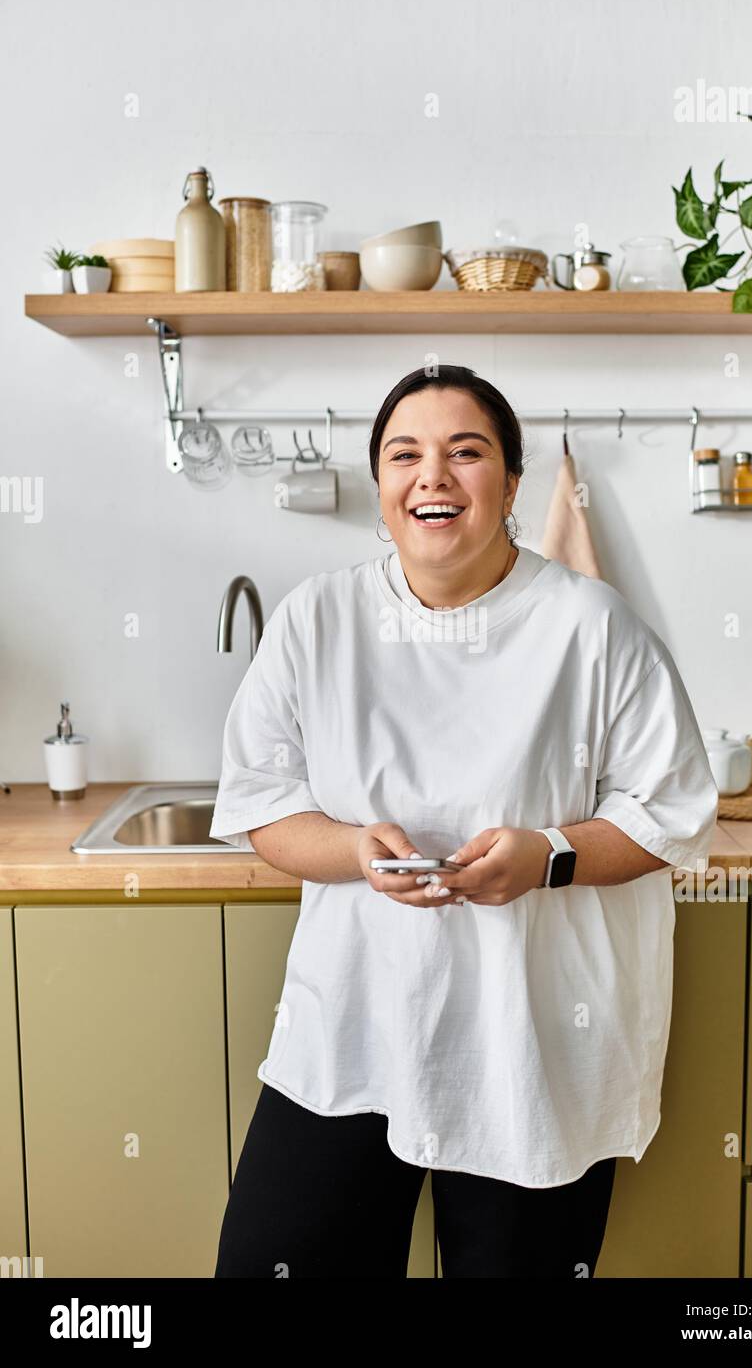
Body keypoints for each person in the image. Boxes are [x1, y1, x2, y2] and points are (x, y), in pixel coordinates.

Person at [209, 364, 719, 1279]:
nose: (432, 475)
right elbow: (261, 802)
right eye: (406, 454)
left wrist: (550, 858)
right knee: (272, 1263)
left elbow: (671, 818)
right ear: (382, 486)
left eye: (466, 453)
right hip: (355, 1019)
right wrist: (350, 848)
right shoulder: (315, 622)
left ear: (513, 483)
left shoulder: (593, 628)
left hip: (534, 1037)